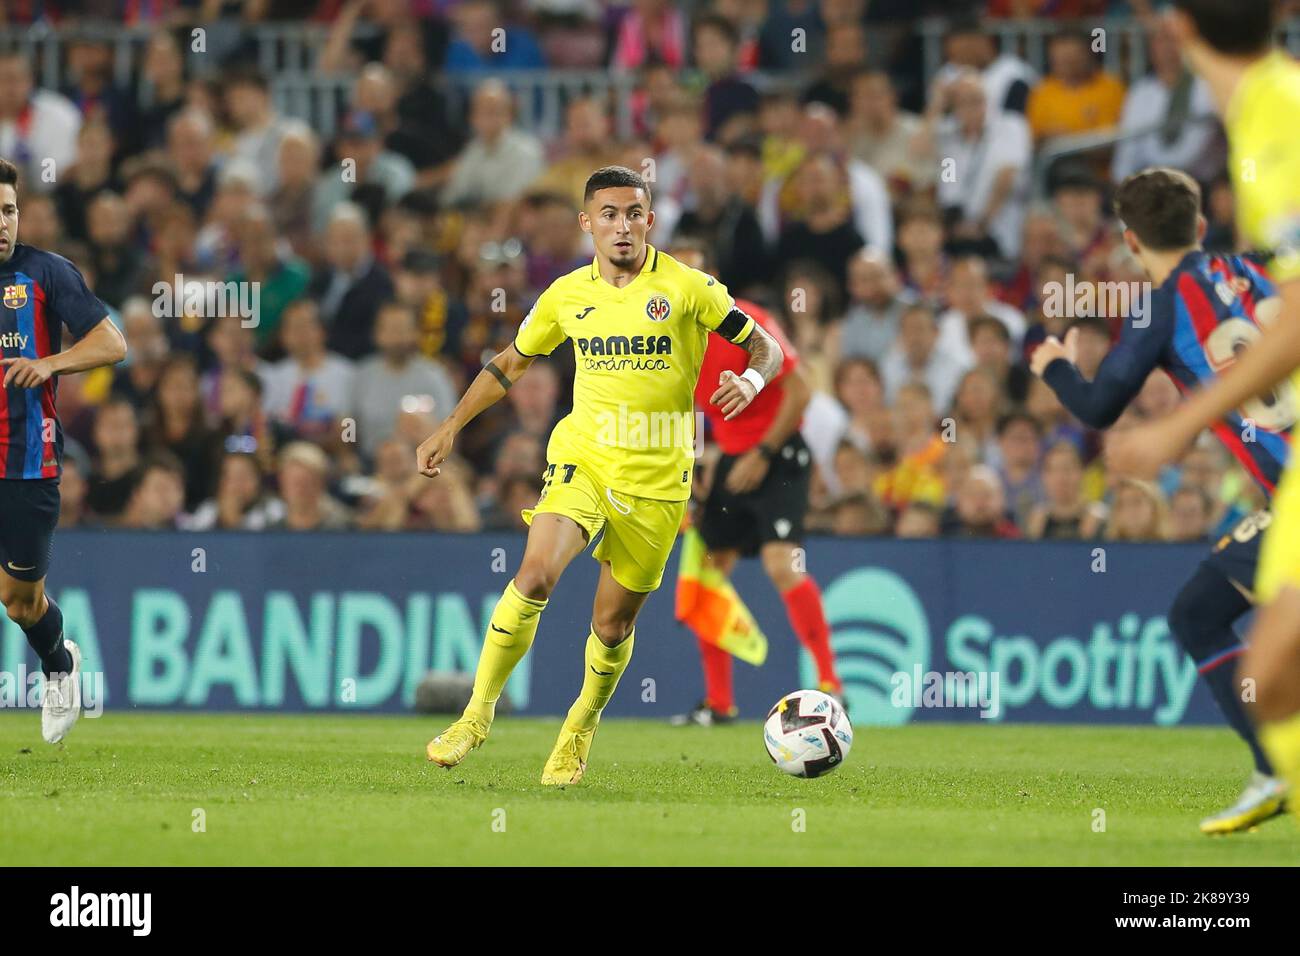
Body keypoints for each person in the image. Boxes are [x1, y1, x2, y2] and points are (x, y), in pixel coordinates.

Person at [418, 165, 784, 785]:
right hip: (582, 458)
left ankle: (579, 726)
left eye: (634, 213)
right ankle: (475, 714)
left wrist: (748, 381)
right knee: (533, 577)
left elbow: (766, 349)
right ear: (587, 223)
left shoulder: (689, 288)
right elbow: (509, 363)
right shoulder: (565, 296)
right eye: (608, 215)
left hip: (659, 477)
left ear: (650, 220)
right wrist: (451, 424)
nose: (622, 226)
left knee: (612, 625)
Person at [1034, 165, 1291, 833]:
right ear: (1201, 227)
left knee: (1197, 618)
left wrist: (1053, 365)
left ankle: (1274, 768)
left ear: (1129, 240)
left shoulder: (1160, 305)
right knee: (1201, 609)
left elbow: (1099, 404)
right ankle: (1274, 768)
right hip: (1285, 501)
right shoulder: (1260, 272)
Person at [1105, 0, 1300, 828]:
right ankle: (1273, 775)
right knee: (1275, 671)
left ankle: (1271, 776)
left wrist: (1178, 427)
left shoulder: (1274, 121)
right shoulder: (1265, 111)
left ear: (1176, 29)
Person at [666, 239, 841, 726]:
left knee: (780, 563)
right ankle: (719, 704)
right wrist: (697, 466)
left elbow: (801, 390)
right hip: (730, 460)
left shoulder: (747, 322)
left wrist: (763, 453)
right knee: (704, 569)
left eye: (695, 274)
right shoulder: (669, 339)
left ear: (713, 283)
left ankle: (831, 685)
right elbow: (682, 412)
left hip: (778, 453)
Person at [0, 156, 128, 744]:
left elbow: (112, 342)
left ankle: (59, 664)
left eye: (9, 211)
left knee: (20, 605)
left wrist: (50, 363)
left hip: (28, 468)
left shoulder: (47, 275)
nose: (4, 223)